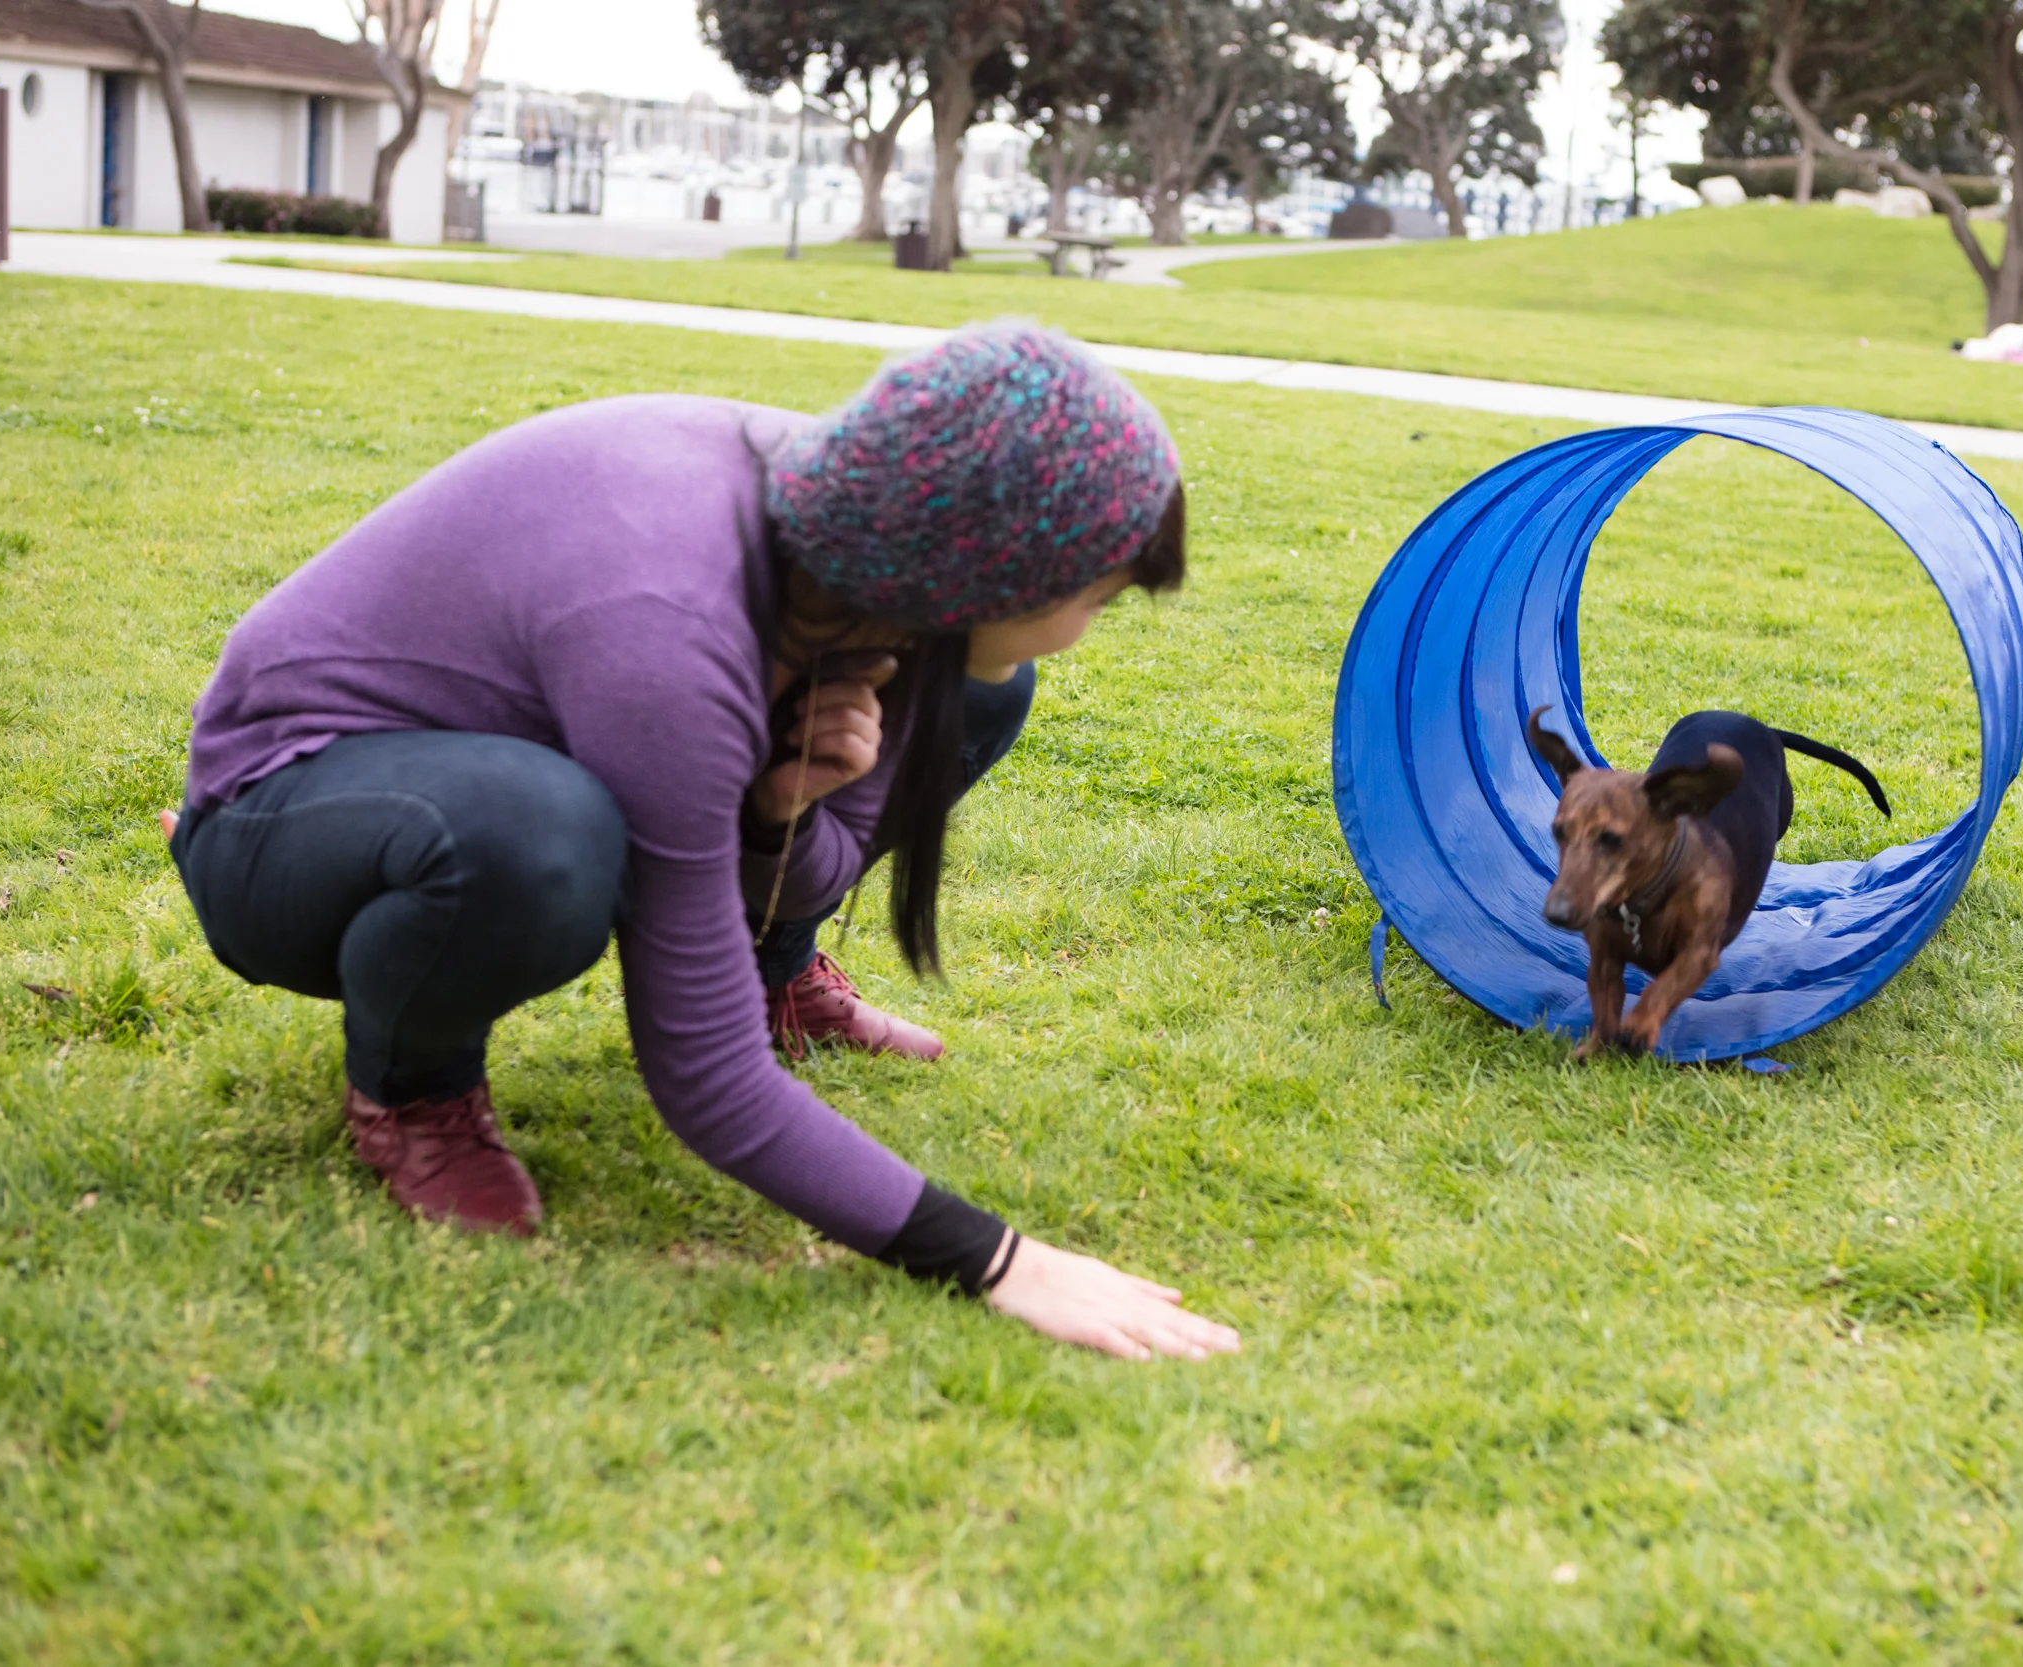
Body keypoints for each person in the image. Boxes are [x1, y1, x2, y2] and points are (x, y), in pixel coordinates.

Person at [166, 321, 1241, 1364]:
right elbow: (705, 1075)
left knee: (984, 694)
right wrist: (999, 1260)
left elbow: (808, 860)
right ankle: (413, 1086)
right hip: (285, 819)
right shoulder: (670, 621)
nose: (1093, 621)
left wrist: (777, 810)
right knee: (542, 835)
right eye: (1096, 595)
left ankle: (787, 980)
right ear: (986, 577)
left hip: (525, 758)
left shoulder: (867, 543)